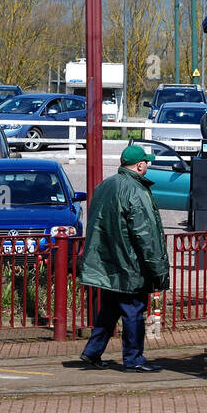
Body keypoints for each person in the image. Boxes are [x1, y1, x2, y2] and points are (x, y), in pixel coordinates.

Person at [77, 144, 171, 373]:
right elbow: (144, 235)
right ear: (140, 165)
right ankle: (134, 358)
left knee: (109, 310)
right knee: (133, 311)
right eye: (146, 162)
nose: (147, 165)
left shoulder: (105, 186)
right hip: (130, 265)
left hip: (109, 264)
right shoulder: (136, 191)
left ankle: (92, 352)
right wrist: (157, 268)